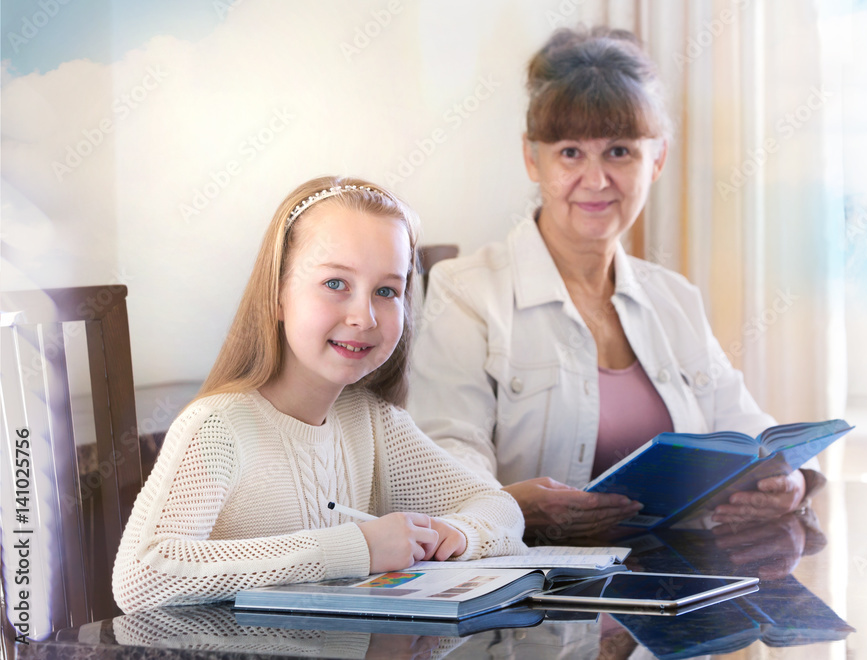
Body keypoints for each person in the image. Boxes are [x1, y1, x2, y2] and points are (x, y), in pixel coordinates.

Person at [408, 27, 823, 543]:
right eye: (570, 153)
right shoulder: (465, 291)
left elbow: (749, 429)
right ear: (532, 159)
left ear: (657, 159)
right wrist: (509, 507)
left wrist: (791, 479)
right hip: (534, 600)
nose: (597, 179)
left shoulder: (674, 298)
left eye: (620, 152)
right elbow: (445, 460)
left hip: (669, 589)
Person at [112, 176, 526, 613]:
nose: (363, 317)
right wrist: (353, 549)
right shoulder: (219, 427)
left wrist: (457, 535)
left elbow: (498, 507)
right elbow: (142, 575)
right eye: (335, 284)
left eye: (387, 291)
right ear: (277, 295)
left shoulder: (370, 420)